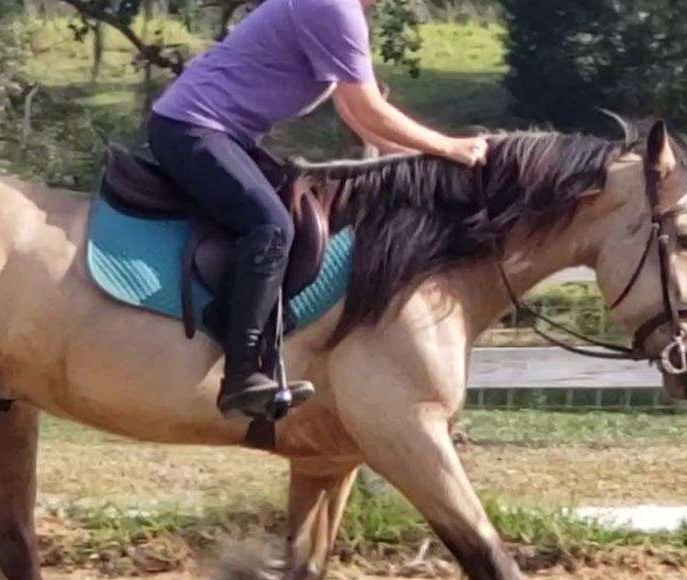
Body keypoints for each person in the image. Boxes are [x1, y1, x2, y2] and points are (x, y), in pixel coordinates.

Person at [148, 0, 488, 418]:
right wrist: (449, 146)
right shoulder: (333, 7)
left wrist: (418, 159)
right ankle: (241, 375)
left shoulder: (343, 11)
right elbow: (367, 109)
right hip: (192, 129)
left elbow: (353, 112)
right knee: (270, 226)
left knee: (288, 212)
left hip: (215, 131)